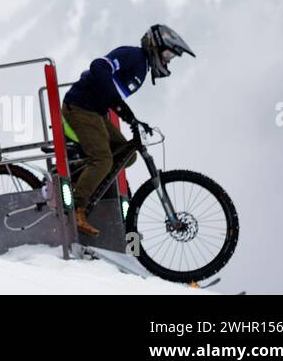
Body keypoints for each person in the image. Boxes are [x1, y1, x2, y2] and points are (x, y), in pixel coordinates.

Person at [61, 24, 195, 236]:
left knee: (127, 155)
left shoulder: (141, 70)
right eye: (168, 54)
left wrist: (132, 119)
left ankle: (79, 173)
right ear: (154, 46)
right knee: (103, 159)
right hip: (80, 107)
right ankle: (76, 208)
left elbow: (112, 98)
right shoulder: (133, 56)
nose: (168, 60)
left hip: (94, 111)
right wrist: (124, 111)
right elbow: (98, 67)